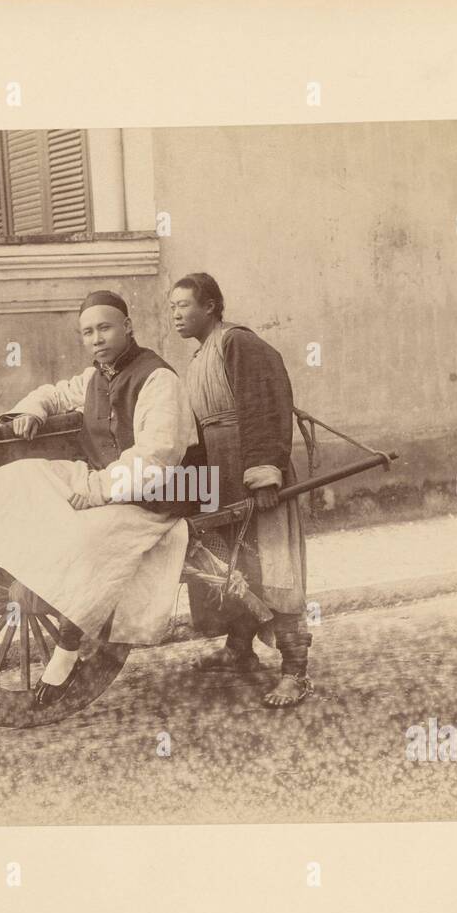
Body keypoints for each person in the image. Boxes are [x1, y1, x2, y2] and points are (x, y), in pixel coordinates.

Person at [0, 290, 196, 709]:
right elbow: (56, 393)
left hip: (152, 498)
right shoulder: (95, 377)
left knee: (82, 540)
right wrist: (33, 410)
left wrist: (95, 490)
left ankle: (68, 650)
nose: (97, 339)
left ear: (127, 327)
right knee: (24, 475)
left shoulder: (158, 379)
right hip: (101, 485)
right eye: (88, 332)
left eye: (105, 328)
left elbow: (157, 456)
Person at [169, 273, 313, 709]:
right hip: (219, 471)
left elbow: (265, 404)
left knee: (271, 560)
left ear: (211, 306)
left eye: (184, 305)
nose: (176, 314)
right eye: (171, 307)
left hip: (250, 465)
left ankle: (295, 671)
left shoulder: (239, 344)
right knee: (230, 559)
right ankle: (239, 649)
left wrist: (265, 470)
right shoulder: (198, 360)